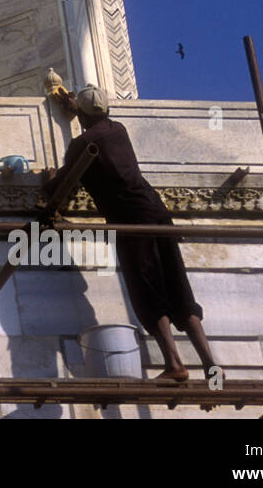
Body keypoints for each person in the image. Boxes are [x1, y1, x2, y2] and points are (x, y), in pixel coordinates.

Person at [40, 85, 216, 382]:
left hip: (131, 221)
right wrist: (79, 108)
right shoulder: (118, 130)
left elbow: (64, 184)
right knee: (177, 285)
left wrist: (48, 181)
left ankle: (175, 365)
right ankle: (213, 368)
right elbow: (97, 127)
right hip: (157, 212)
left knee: (147, 289)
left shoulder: (81, 145)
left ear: (81, 116)